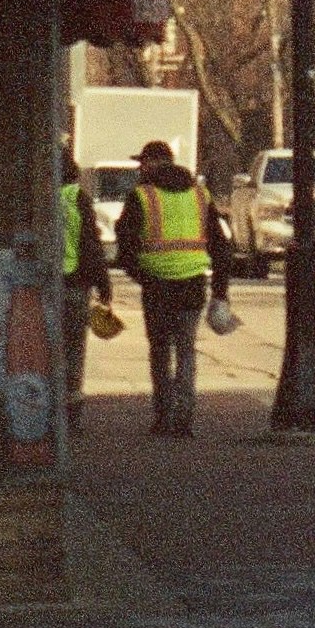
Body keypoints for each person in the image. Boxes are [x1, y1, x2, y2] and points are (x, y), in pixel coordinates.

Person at [113, 139, 233, 439]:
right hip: (192, 284)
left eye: (143, 162)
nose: (140, 168)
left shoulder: (142, 196)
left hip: (156, 285)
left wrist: (140, 275)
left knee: (159, 351)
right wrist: (220, 291)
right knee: (186, 350)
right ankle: (184, 418)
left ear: (153, 163)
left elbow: (125, 244)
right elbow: (220, 245)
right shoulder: (200, 194)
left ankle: (163, 417)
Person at [59, 146, 112, 435]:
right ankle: (70, 416)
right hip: (75, 284)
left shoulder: (36, 198)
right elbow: (91, 244)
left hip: (42, 284)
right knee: (73, 352)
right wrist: (103, 283)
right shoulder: (77, 198)